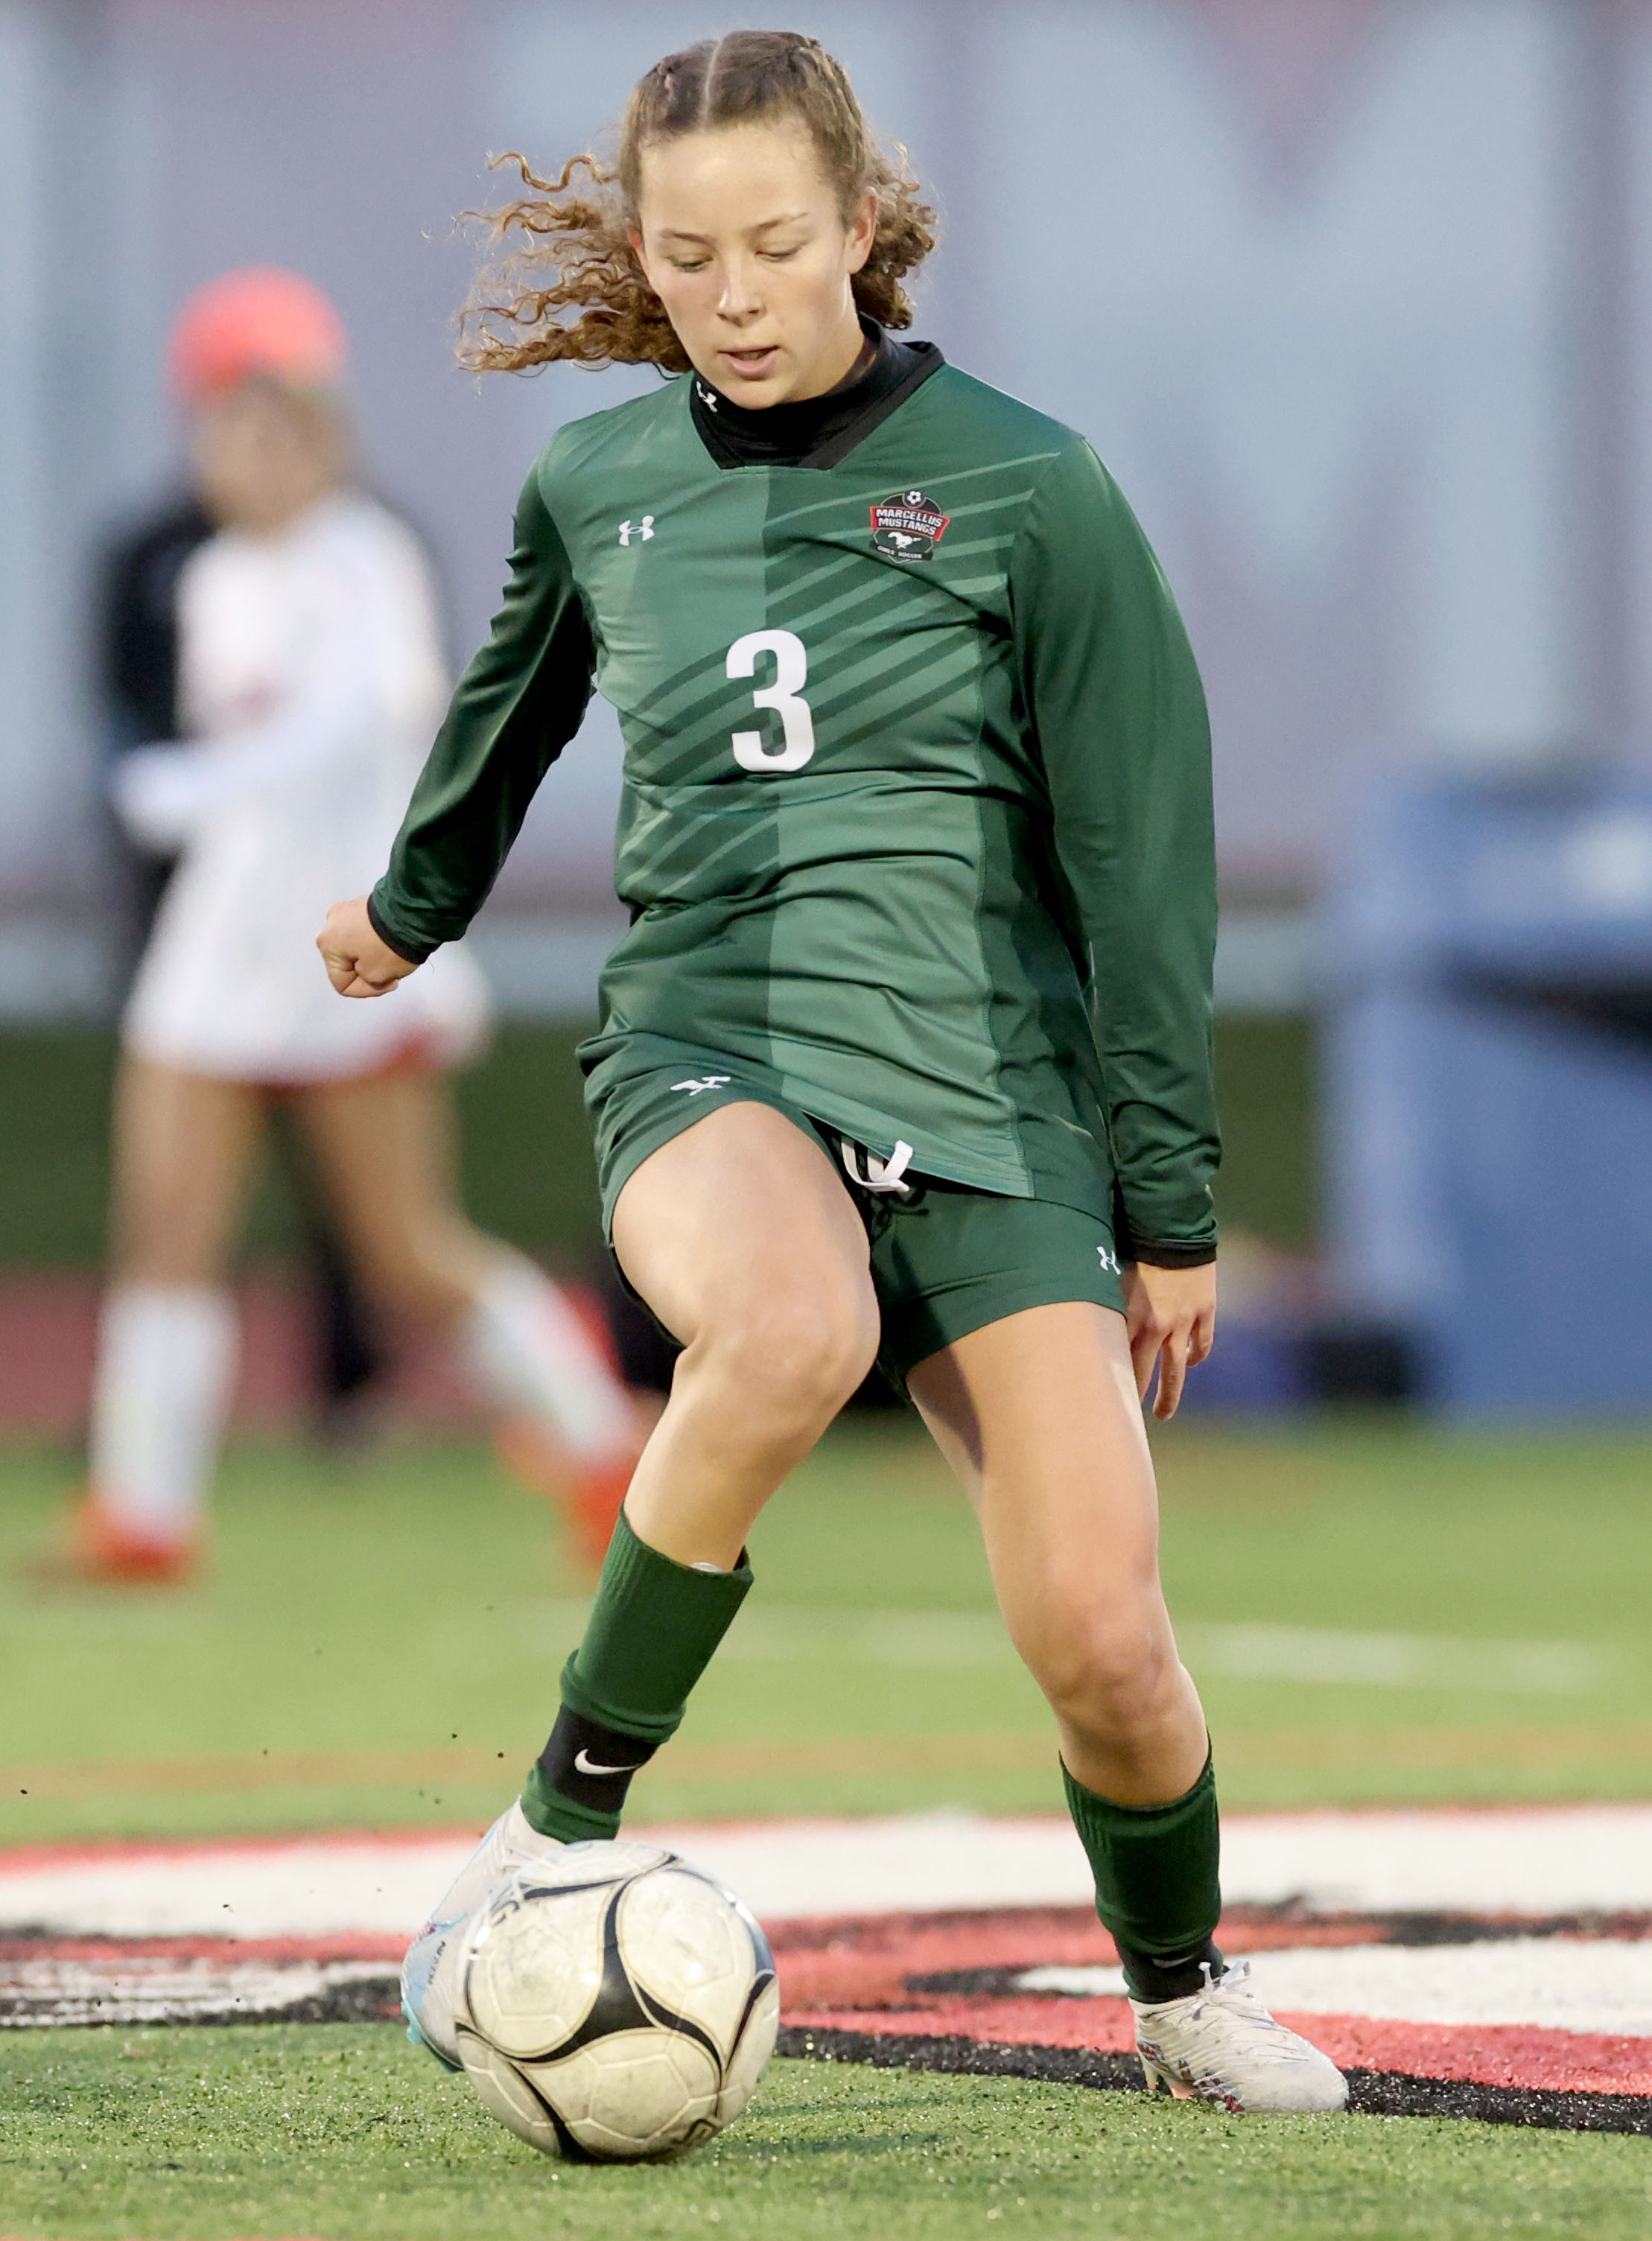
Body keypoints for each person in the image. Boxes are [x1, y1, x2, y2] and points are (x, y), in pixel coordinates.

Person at [319, 34, 1346, 2113]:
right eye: (686, 254)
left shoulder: (1031, 485)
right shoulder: (597, 485)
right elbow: (502, 722)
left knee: (1104, 1645)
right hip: (708, 1054)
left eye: (777, 243)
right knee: (788, 1323)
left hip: (989, 1103)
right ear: (644, 253)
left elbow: (1139, 868)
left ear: (862, 230)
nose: (733, 290)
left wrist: (1161, 1198)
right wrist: (409, 908)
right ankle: (542, 1845)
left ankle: (1180, 1990)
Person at [65, 267, 642, 1586]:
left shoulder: (372, 558)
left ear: (325, 427)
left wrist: (190, 786)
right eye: (224, 419)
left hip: (346, 944)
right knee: (164, 1223)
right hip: (216, 948)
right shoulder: (207, 574)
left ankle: (605, 1450)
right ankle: (142, 1512)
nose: (249, 450)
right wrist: (183, 792)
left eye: (277, 418)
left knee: (405, 1249)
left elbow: (352, 728)